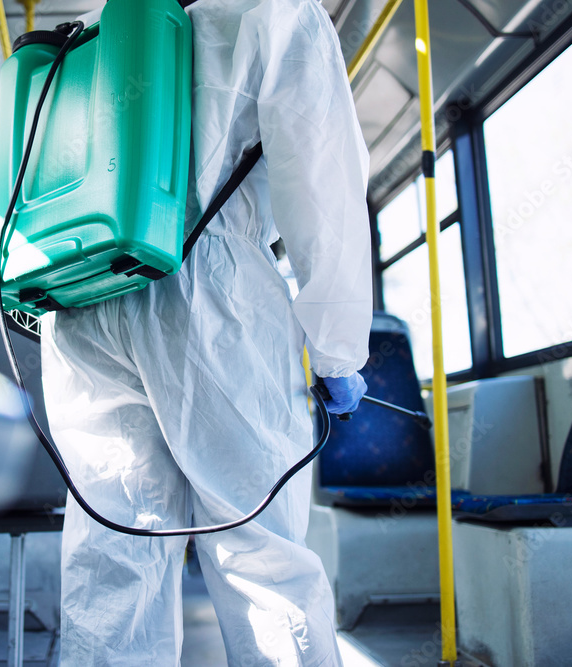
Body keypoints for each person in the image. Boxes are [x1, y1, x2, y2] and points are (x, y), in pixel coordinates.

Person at [40, 0, 372, 663]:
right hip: (206, 291)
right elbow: (320, 181)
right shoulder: (274, 11)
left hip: (84, 293)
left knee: (114, 555)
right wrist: (339, 349)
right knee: (260, 552)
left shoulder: (96, 27)